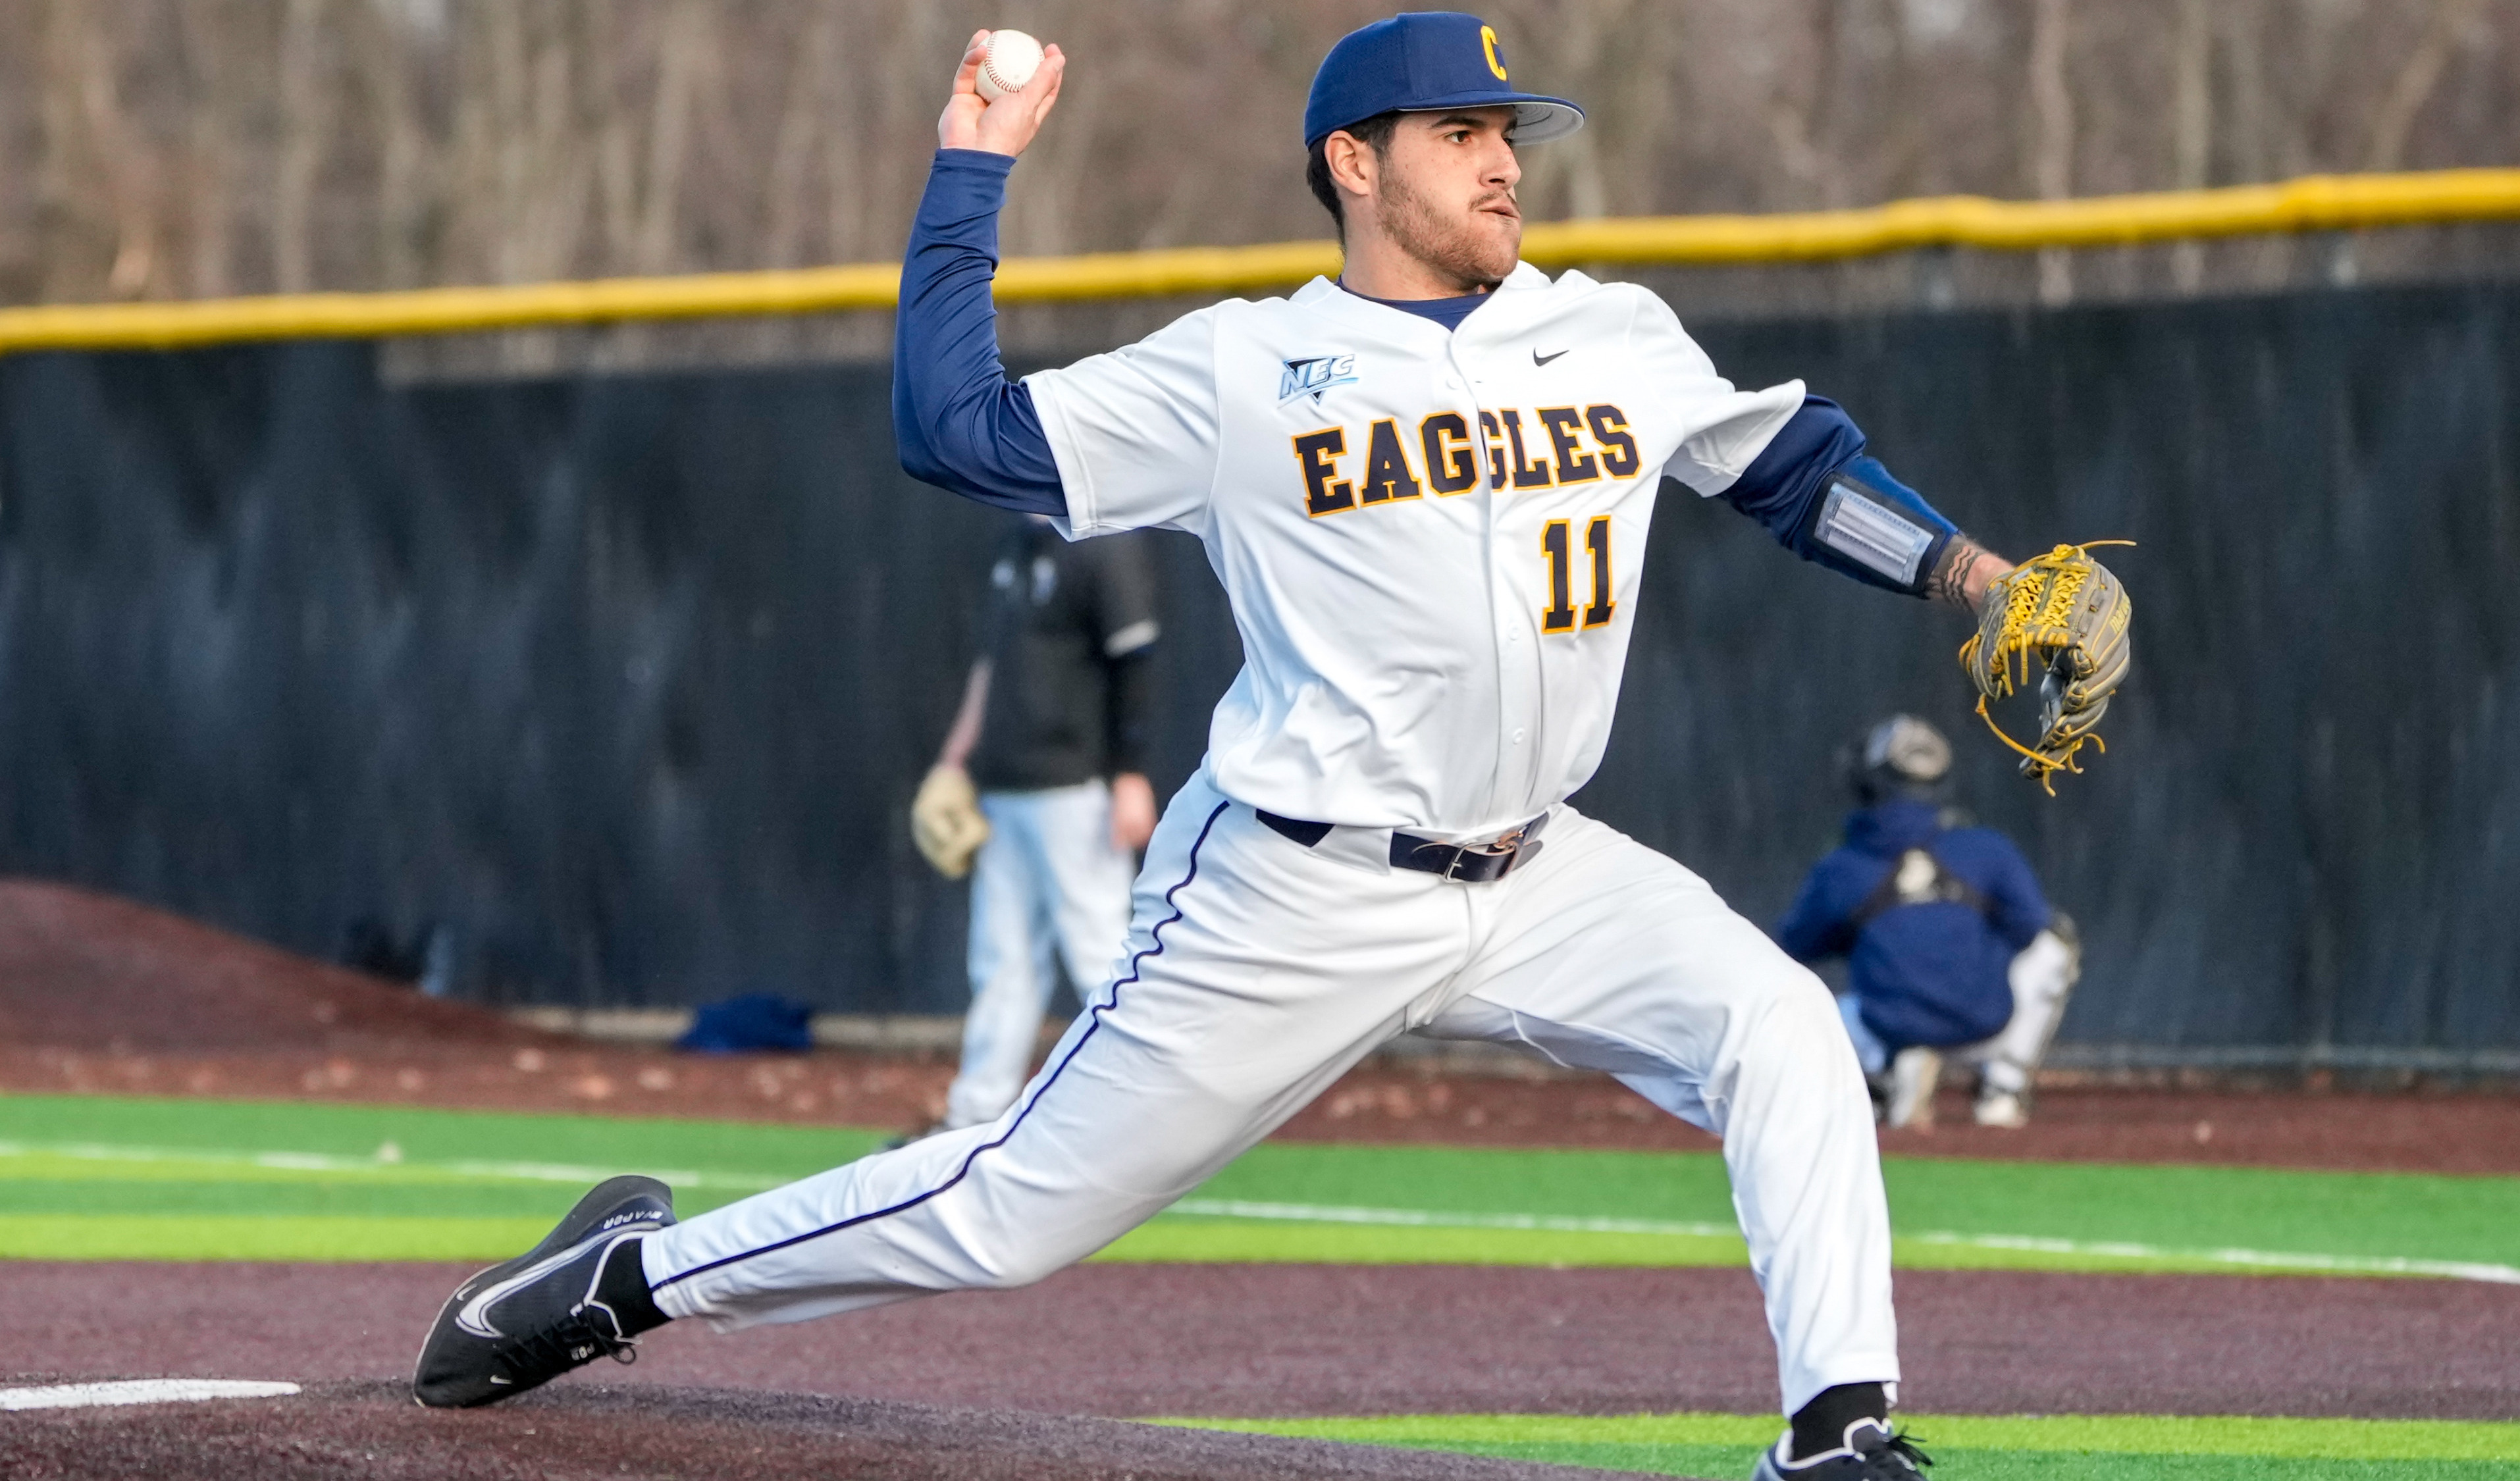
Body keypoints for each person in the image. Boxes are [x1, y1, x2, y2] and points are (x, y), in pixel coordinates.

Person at [413, 16, 2130, 1479]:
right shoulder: (1246, 370)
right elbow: (954, 432)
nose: (1503, 162)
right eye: (1460, 133)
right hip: (1298, 886)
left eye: (1511, 133)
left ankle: (1833, 1425)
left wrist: (1974, 578)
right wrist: (972, 165)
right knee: (1012, 1214)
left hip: (1543, 863)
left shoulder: (1611, 331)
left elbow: (1783, 462)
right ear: (1353, 162)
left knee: (1779, 1030)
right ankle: (624, 1279)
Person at [913, 513, 1161, 1133]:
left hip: (1075, 789)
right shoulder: (1018, 543)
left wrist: (1130, 774)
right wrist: (954, 761)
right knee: (1001, 961)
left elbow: (1135, 663)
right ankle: (974, 1114)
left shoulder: (1107, 541)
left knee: (1101, 954)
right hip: (1004, 789)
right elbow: (990, 665)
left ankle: (1144, 1114)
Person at [1773, 715, 2081, 1131]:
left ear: (1869, 783)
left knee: (1799, 991)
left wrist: (1876, 927)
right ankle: (2002, 1090)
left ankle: (1884, 1075)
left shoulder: (1844, 866)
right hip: (1985, 1026)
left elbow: (1796, 945)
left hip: (1885, 1029)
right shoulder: (1985, 848)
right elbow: (2028, 927)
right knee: (2054, 944)